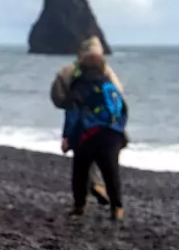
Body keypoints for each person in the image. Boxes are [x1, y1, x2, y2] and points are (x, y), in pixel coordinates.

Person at [50, 35, 124, 206]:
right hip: (107, 125)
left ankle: (82, 201)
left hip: (81, 121)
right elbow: (118, 93)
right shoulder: (106, 70)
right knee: (105, 160)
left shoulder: (67, 71)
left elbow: (57, 97)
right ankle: (108, 197)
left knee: (82, 159)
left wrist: (70, 104)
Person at [61, 52, 128, 221]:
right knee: (111, 172)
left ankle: (80, 206)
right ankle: (117, 208)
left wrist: (67, 137)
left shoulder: (78, 86)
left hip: (88, 135)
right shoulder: (109, 85)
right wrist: (119, 131)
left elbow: (73, 114)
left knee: (80, 171)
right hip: (112, 135)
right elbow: (123, 110)